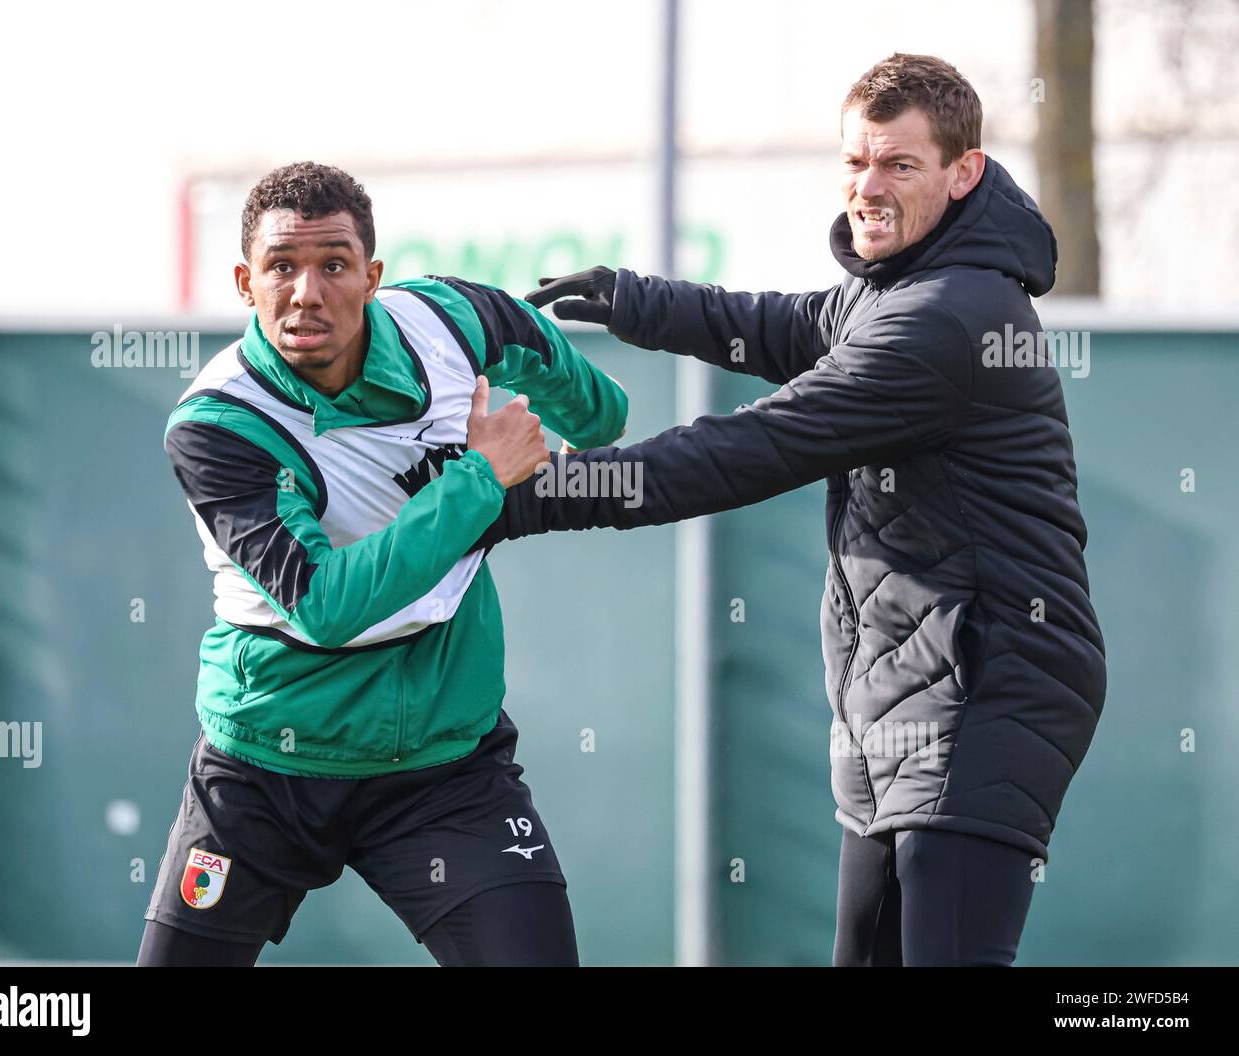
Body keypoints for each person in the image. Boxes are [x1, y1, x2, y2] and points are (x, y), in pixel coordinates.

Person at [482, 53, 1106, 967]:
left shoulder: (949, 315)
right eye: (855, 162)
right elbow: (785, 327)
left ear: (963, 172)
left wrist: (535, 499)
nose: (868, 187)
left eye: (899, 164)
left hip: (988, 681)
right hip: (902, 687)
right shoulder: (896, 284)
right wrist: (632, 300)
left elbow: (750, 449)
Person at [138, 161, 627, 967]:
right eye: (281, 268)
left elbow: (602, 412)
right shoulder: (218, 423)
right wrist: (480, 476)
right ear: (243, 281)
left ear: (373, 276)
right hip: (266, 765)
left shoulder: (453, 318)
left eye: (333, 265)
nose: (306, 292)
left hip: (442, 765)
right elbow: (326, 604)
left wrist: (553, 433)